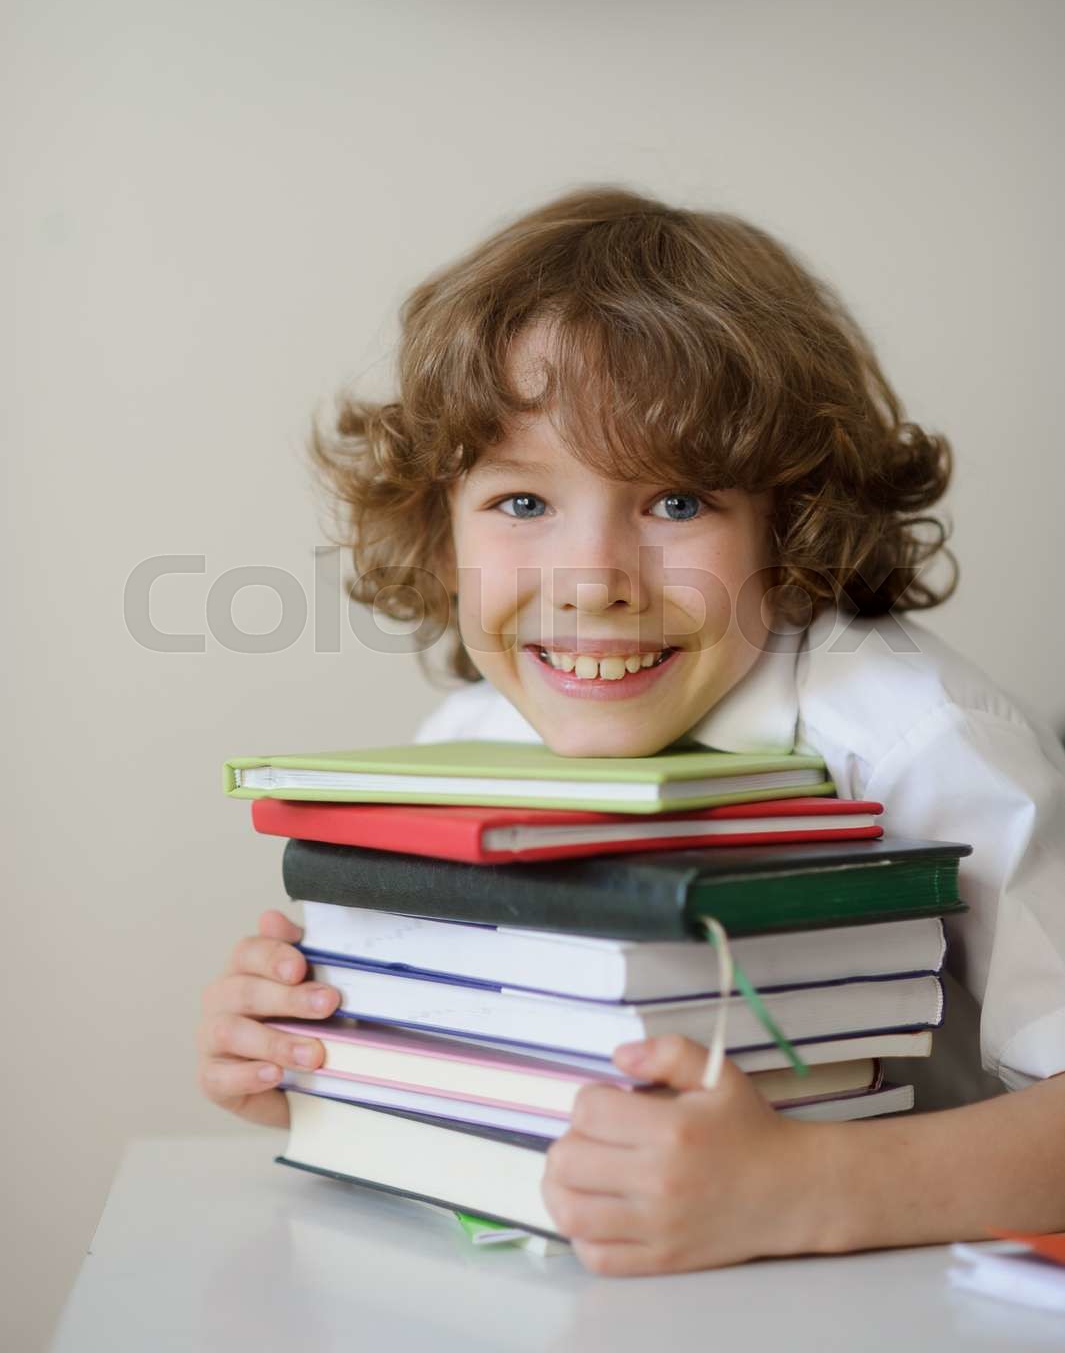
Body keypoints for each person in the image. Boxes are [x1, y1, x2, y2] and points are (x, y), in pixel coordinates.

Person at [198, 187, 1065, 1275]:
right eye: (523, 505)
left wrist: (805, 1188)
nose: (595, 579)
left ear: (785, 527)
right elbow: (491, 1071)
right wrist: (316, 1064)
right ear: (442, 529)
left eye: (675, 503)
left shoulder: (919, 740)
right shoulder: (468, 739)